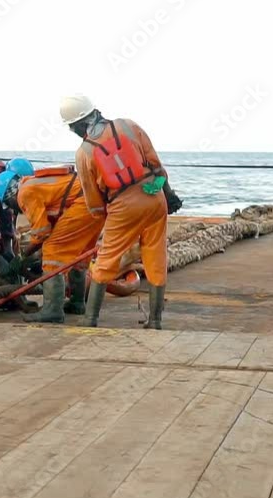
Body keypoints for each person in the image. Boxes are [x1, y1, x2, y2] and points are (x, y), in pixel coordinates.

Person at [60, 94, 180, 329]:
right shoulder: (128, 125)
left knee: (106, 260)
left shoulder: (83, 153)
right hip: (154, 198)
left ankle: (90, 319)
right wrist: (167, 193)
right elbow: (155, 164)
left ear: (77, 125)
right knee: (155, 257)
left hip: (122, 206)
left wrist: (103, 217)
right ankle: (155, 320)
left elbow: (93, 200)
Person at [0, 165, 103, 323]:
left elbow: (42, 232)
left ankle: (52, 311)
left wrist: (23, 256)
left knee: (53, 251)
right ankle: (77, 303)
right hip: (95, 204)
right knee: (78, 255)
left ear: (9, 196)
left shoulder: (24, 193)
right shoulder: (33, 184)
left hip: (82, 205)